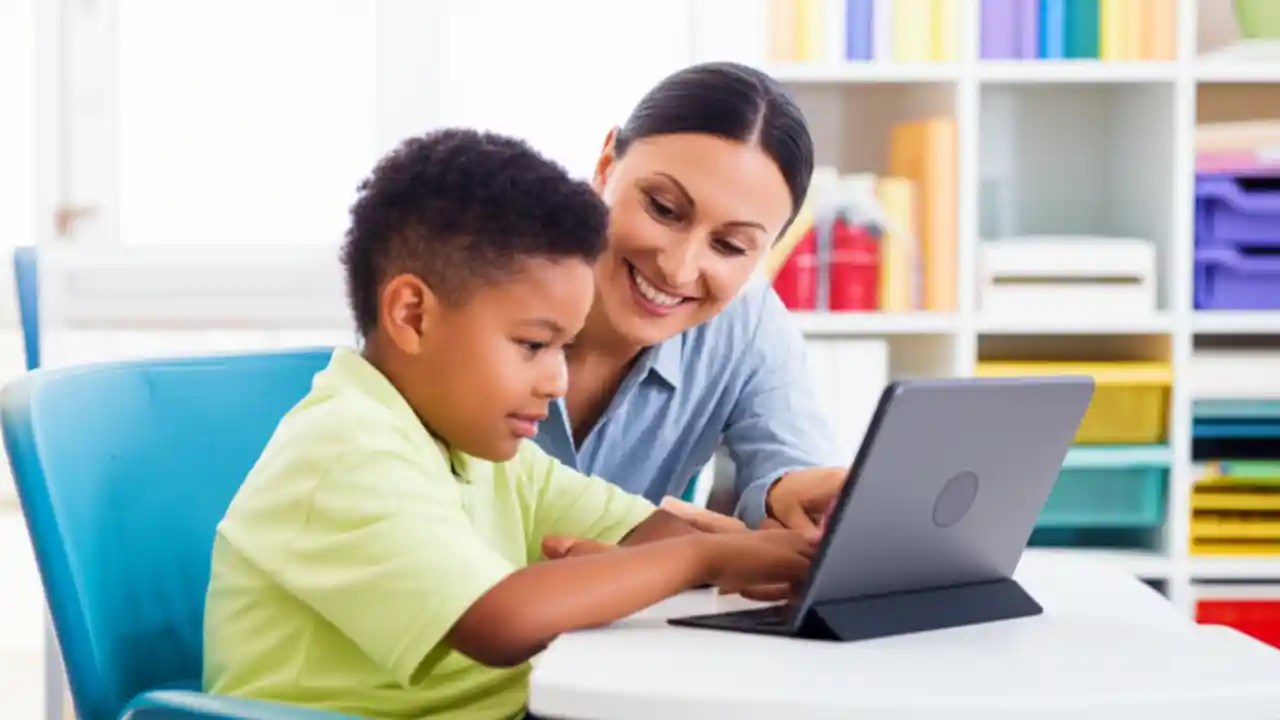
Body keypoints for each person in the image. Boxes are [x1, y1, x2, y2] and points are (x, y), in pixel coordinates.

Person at [201, 128, 816, 720]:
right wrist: (701, 561)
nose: (558, 380)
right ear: (412, 315)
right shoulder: (345, 448)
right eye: (532, 345)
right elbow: (499, 621)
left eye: (562, 348)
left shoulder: (484, 451)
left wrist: (773, 554)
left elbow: (643, 532)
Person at [532, 61, 848, 534]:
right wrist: (677, 544)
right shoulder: (482, 271)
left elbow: (794, 473)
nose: (678, 268)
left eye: (730, 246)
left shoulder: (748, 323)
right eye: (663, 209)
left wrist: (788, 499)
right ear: (605, 165)